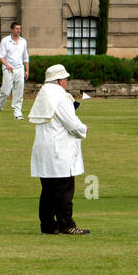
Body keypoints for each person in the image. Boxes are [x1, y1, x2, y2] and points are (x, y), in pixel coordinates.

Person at [28, 64, 90, 235]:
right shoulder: (60, 96)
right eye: (65, 79)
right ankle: (66, 224)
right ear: (60, 81)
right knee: (64, 189)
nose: (67, 82)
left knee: (48, 190)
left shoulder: (44, 93)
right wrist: (83, 128)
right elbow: (71, 123)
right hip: (59, 149)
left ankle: (48, 225)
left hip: (44, 148)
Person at [0, 21, 30, 120]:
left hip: (20, 69)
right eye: (16, 29)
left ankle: (17, 113)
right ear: (12, 29)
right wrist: (7, 65)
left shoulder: (23, 41)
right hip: (8, 69)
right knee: (5, 91)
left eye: (19, 29)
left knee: (19, 92)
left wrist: (27, 70)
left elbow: (25, 57)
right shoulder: (5, 41)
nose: (18, 31)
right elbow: (0, 56)